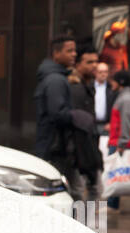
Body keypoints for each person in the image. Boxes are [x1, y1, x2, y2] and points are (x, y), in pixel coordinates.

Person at [35, 36, 77, 181]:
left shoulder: (57, 77)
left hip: (56, 148)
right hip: (57, 149)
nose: (74, 54)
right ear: (56, 53)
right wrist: (78, 116)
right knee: (90, 191)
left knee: (87, 190)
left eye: (74, 50)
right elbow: (58, 114)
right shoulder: (55, 80)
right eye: (69, 51)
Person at [67, 47, 103, 201]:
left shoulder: (88, 87)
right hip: (80, 150)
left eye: (96, 61)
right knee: (82, 191)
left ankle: (88, 224)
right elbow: (78, 123)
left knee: (95, 189)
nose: (94, 65)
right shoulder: (76, 88)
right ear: (78, 64)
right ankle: (83, 224)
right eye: (89, 62)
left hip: (88, 148)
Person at [105, 70, 130, 211]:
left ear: (121, 83)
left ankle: (112, 205)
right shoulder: (125, 97)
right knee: (115, 173)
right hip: (117, 141)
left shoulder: (126, 99)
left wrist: (121, 143)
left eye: (114, 80)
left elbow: (126, 122)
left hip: (118, 142)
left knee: (115, 173)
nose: (111, 83)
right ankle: (112, 204)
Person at [93, 61, 112, 135]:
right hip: (92, 124)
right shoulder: (90, 86)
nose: (103, 74)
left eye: (105, 72)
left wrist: (111, 123)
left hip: (106, 125)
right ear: (95, 72)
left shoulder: (111, 88)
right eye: (100, 72)